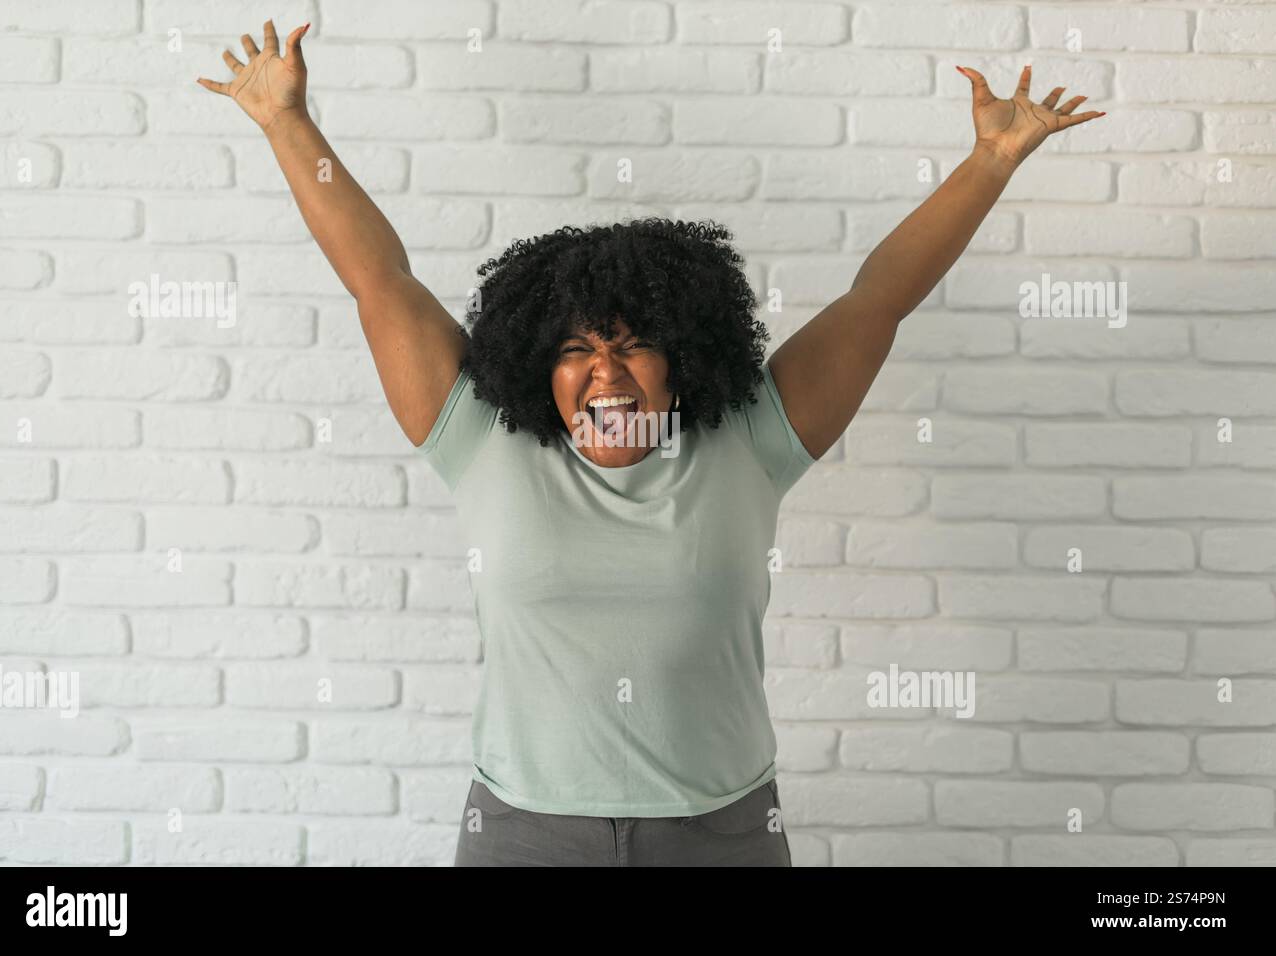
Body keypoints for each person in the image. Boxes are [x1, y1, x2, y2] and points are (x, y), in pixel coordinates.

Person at [199, 21, 1106, 866]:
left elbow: (879, 298)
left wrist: (990, 161)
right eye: (575, 349)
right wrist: (286, 122)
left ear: (684, 358)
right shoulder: (482, 439)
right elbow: (376, 277)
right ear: (534, 366)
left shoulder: (750, 440)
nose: (606, 371)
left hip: (724, 833)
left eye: (633, 343)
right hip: (523, 834)